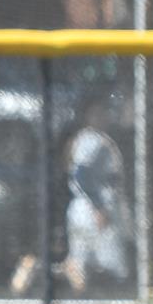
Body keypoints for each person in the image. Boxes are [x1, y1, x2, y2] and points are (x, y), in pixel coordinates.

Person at [61, 99, 130, 292]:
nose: (103, 117)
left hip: (82, 207)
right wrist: (99, 207)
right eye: (97, 113)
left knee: (79, 265)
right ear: (87, 117)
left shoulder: (82, 139)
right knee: (114, 268)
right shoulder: (93, 140)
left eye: (104, 113)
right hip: (94, 209)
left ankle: (36, 273)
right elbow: (81, 174)